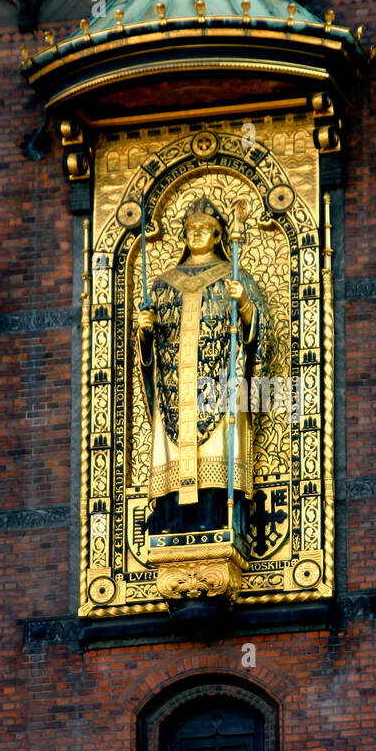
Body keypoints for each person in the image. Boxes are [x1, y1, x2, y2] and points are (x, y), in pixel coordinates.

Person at [136, 194, 270, 539]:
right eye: (190, 229)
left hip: (218, 388)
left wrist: (243, 305)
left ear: (218, 236)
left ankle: (219, 519)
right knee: (173, 448)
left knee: (217, 451)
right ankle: (175, 521)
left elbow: (259, 337)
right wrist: (145, 331)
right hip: (173, 389)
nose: (196, 234)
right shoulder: (164, 283)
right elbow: (147, 355)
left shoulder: (234, 277)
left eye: (205, 228)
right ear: (183, 237)